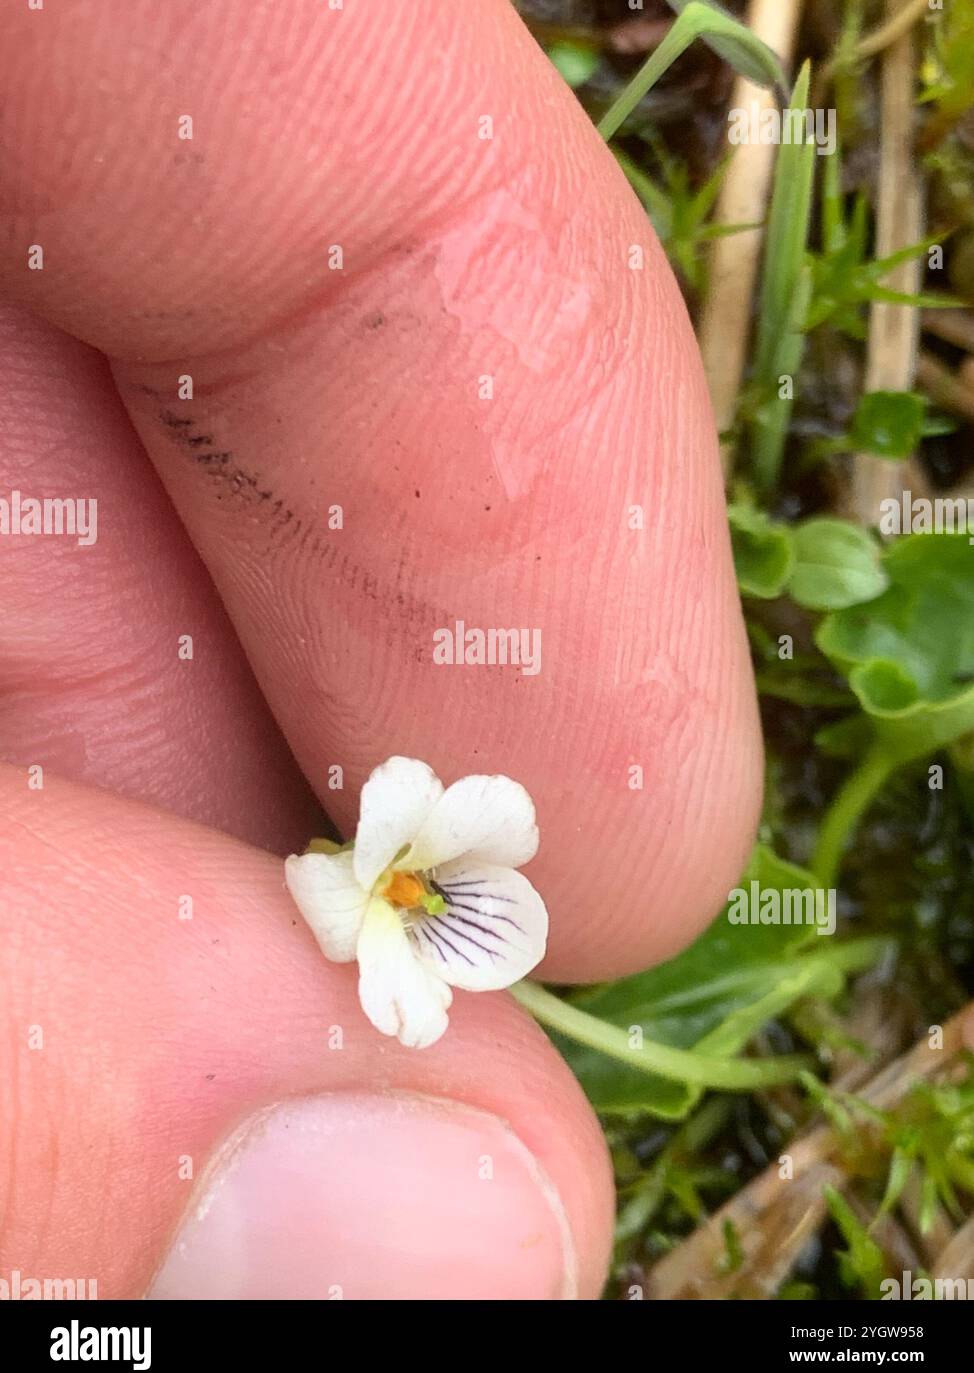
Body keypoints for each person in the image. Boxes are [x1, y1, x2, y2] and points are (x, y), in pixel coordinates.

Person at [0, 0, 761, 1299]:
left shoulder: (428, 878)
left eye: (402, 888)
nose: (407, 894)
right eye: (404, 885)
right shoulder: (384, 878)